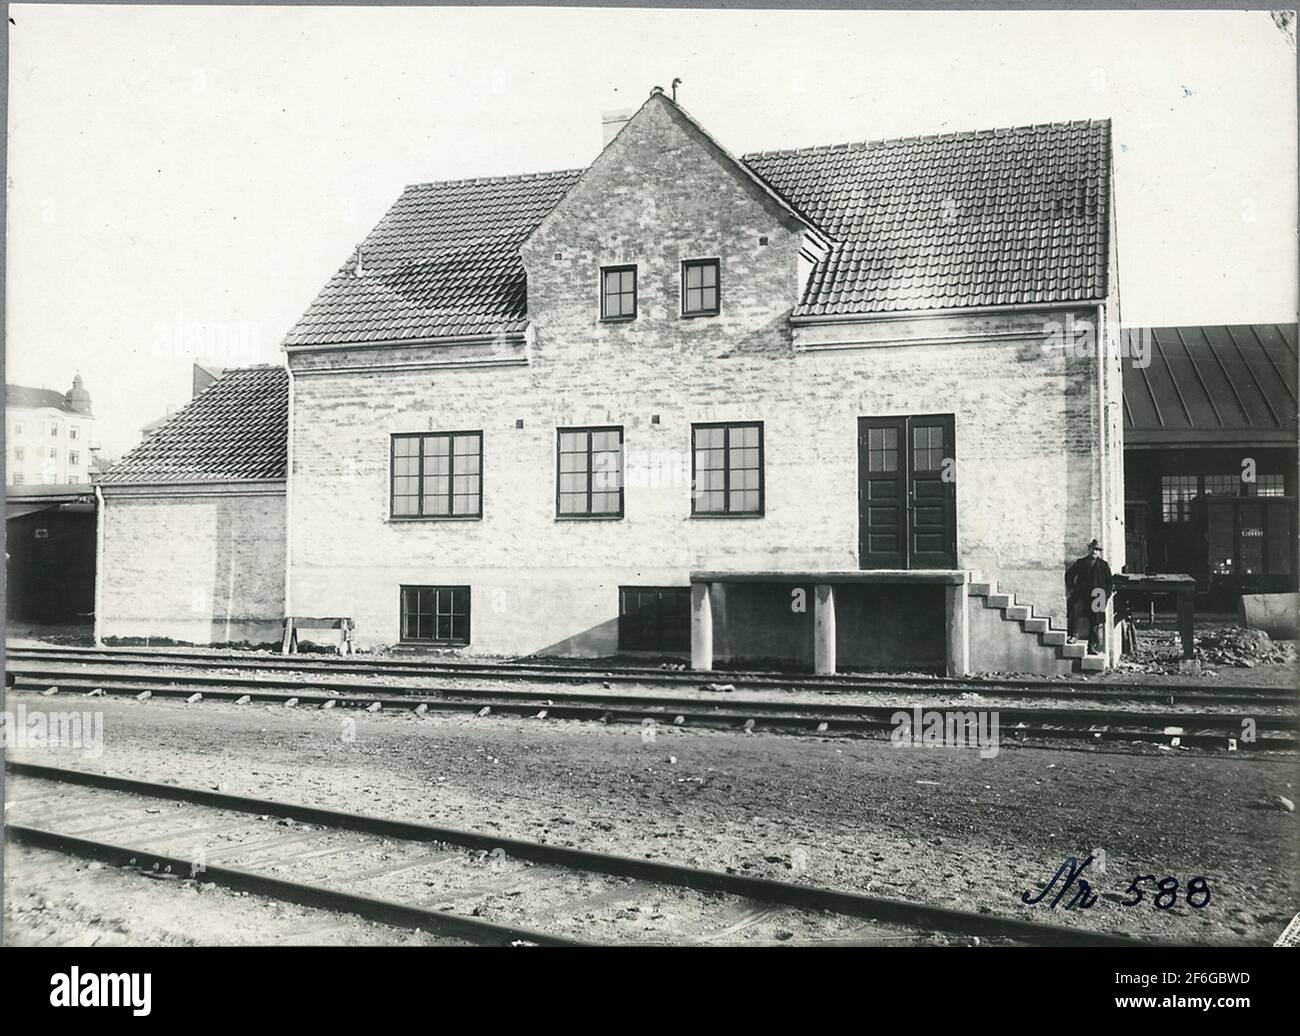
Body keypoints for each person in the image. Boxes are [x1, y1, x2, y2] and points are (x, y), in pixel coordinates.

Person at [1065, 538, 1113, 653]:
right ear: (1089, 549)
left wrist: (1105, 596)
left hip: (1098, 596)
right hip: (1082, 594)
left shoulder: (1103, 565)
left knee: (1095, 621)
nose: (1094, 552)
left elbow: (1109, 583)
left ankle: (1092, 646)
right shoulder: (1081, 562)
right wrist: (1071, 588)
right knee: (1074, 611)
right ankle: (1074, 635)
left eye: (1097, 550)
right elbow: (1069, 575)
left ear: (1099, 552)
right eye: (1093, 549)